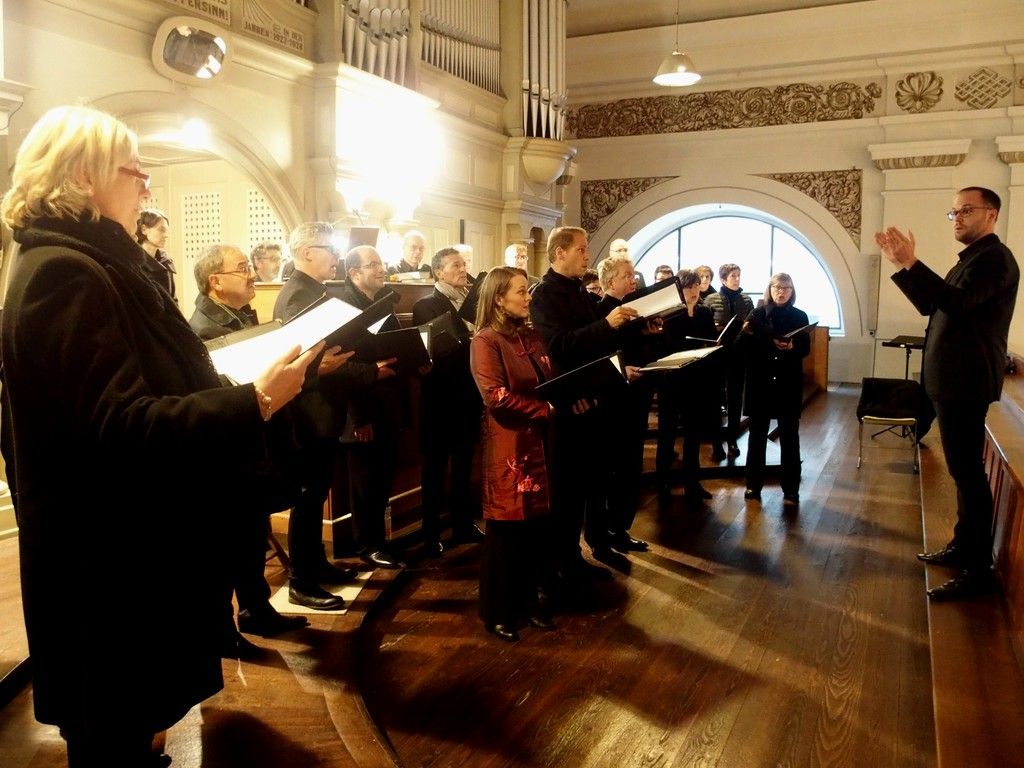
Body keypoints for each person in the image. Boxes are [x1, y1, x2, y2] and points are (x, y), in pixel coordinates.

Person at [0, 105, 319, 767]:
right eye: (133, 169)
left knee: (132, 733)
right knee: (112, 739)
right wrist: (253, 401)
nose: (147, 183)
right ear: (85, 177)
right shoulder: (66, 275)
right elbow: (117, 426)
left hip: (124, 558)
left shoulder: (93, 265)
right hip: (104, 571)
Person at [875, 186, 1019, 601]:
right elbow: (932, 307)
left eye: (965, 211)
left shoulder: (995, 259)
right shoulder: (973, 258)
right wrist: (904, 268)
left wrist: (912, 262)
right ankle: (963, 544)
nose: (956, 218)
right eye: (953, 212)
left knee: (969, 474)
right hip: (953, 381)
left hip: (966, 382)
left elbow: (958, 304)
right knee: (963, 471)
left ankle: (978, 570)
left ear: (991, 214)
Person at [189, 244, 311, 643]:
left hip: (253, 438)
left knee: (251, 531)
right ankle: (220, 628)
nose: (252, 274)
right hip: (229, 445)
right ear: (216, 282)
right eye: (242, 269)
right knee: (229, 540)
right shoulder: (205, 328)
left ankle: (256, 608)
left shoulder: (240, 316)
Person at [274, 223, 388, 609]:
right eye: (329, 248)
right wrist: (327, 364)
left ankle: (316, 565)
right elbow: (298, 356)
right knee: (307, 498)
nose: (336, 256)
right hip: (309, 411)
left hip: (325, 407)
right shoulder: (296, 295)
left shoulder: (316, 290)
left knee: (317, 490)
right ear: (306, 252)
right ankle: (300, 581)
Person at [530, 226, 638, 584]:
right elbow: (558, 346)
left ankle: (572, 556)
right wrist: (606, 323)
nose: (587, 255)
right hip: (568, 400)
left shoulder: (578, 290)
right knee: (565, 489)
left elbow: (596, 343)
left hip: (592, 397)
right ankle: (558, 562)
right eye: (580, 249)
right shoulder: (545, 295)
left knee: (584, 485)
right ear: (560, 253)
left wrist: (620, 344)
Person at [471, 267, 555, 642]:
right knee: (505, 531)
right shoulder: (486, 341)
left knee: (535, 529)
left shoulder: (531, 334)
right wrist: (548, 411)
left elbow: (547, 380)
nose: (528, 297)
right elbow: (496, 397)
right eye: (521, 292)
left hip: (538, 441)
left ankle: (528, 601)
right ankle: (498, 610)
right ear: (499, 299)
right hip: (509, 445)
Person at [336, 245, 409, 568]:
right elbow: (342, 367)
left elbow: (393, 344)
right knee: (365, 484)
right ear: (354, 273)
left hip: (387, 403)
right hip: (362, 410)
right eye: (373, 264)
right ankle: (366, 544)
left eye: (382, 262)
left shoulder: (381, 303)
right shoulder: (343, 307)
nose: (382, 268)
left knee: (381, 480)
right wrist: (358, 419)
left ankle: (379, 540)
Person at [411, 247, 484, 555]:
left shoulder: (473, 302)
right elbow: (440, 346)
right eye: (456, 265)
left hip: (468, 395)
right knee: (436, 468)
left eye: (465, 264)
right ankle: (431, 533)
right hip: (440, 399)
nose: (463, 269)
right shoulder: (426, 304)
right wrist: (472, 336)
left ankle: (463, 523)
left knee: (465, 464)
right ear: (438, 272)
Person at [593, 255, 651, 552]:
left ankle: (621, 527)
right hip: (612, 402)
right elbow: (598, 354)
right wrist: (623, 368)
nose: (634, 279)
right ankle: (604, 532)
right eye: (628, 275)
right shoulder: (599, 312)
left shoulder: (634, 312)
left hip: (636, 396)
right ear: (610, 281)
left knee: (631, 467)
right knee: (611, 469)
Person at [740, 273, 810, 506]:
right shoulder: (757, 314)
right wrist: (763, 339)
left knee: (790, 437)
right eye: (778, 287)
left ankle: (791, 488)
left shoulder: (800, 316)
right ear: (769, 289)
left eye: (787, 288)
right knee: (757, 437)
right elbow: (740, 346)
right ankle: (752, 486)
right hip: (760, 383)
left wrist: (791, 345)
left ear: (792, 291)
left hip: (787, 384)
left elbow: (805, 349)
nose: (782, 292)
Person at [657, 269, 719, 499]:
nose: (693, 291)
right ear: (678, 290)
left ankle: (693, 483)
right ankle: (662, 484)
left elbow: (711, 341)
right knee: (667, 434)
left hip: (696, 381)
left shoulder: (704, 312)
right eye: (688, 287)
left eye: (695, 287)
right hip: (673, 381)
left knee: (693, 435)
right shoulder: (670, 314)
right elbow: (666, 347)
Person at [704, 263, 754, 460]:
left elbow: (751, 324)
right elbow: (705, 326)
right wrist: (715, 329)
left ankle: (732, 439)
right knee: (716, 399)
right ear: (723, 279)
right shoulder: (711, 299)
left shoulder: (746, 299)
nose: (737, 279)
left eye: (739, 275)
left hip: (738, 354)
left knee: (735, 399)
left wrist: (748, 328)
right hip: (717, 355)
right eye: (733, 276)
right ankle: (717, 443)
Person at [136, 207, 177, 304]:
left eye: (166, 230)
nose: (166, 235)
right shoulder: (135, 263)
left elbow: (174, 300)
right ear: (144, 229)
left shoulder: (166, 260)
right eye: (161, 230)